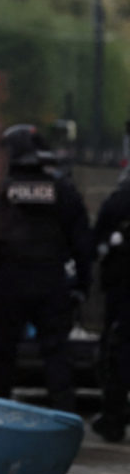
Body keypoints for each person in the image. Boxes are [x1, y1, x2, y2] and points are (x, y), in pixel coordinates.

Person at [0, 123, 93, 412]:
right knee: (56, 355)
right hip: (51, 284)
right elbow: (83, 244)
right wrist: (82, 285)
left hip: (7, 286)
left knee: (0, 358)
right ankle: (64, 416)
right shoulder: (63, 191)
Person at [92, 166, 130, 441]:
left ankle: (114, 419)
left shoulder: (119, 200)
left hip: (122, 292)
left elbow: (95, 240)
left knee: (119, 354)